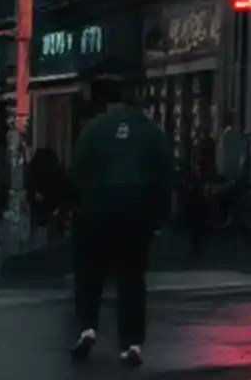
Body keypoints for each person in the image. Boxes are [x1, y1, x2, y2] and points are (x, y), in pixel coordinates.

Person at [69, 82, 173, 367]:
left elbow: (77, 171)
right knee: (131, 279)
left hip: (97, 212)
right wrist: (158, 218)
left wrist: (77, 209)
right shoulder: (151, 131)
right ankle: (131, 344)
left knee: (90, 274)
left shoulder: (93, 129)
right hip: (136, 214)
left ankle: (87, 327)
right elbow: (164, 175)